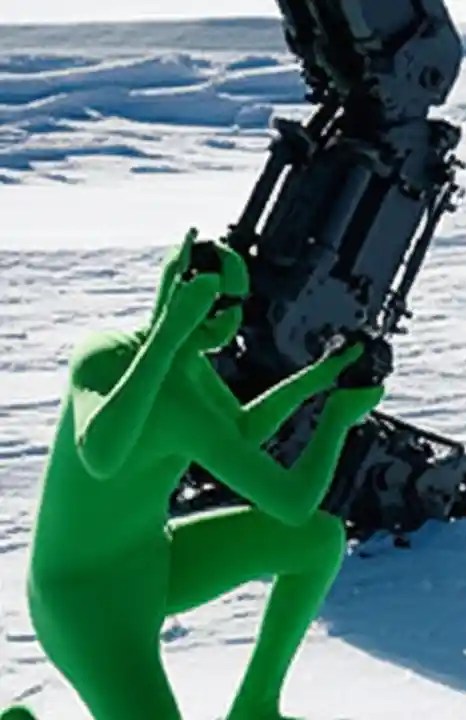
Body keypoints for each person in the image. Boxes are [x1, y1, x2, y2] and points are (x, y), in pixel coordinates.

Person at [10, 230, 383, 720]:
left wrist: (320, 377)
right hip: (83, 606)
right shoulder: (108, 361)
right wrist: (336, 421)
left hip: (149, 564)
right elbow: (101, 453)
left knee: (316, 541)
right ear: (190, 299)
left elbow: (241, 430)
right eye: (229, 305)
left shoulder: (185, 365)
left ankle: (255, 707)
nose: (237, 319)